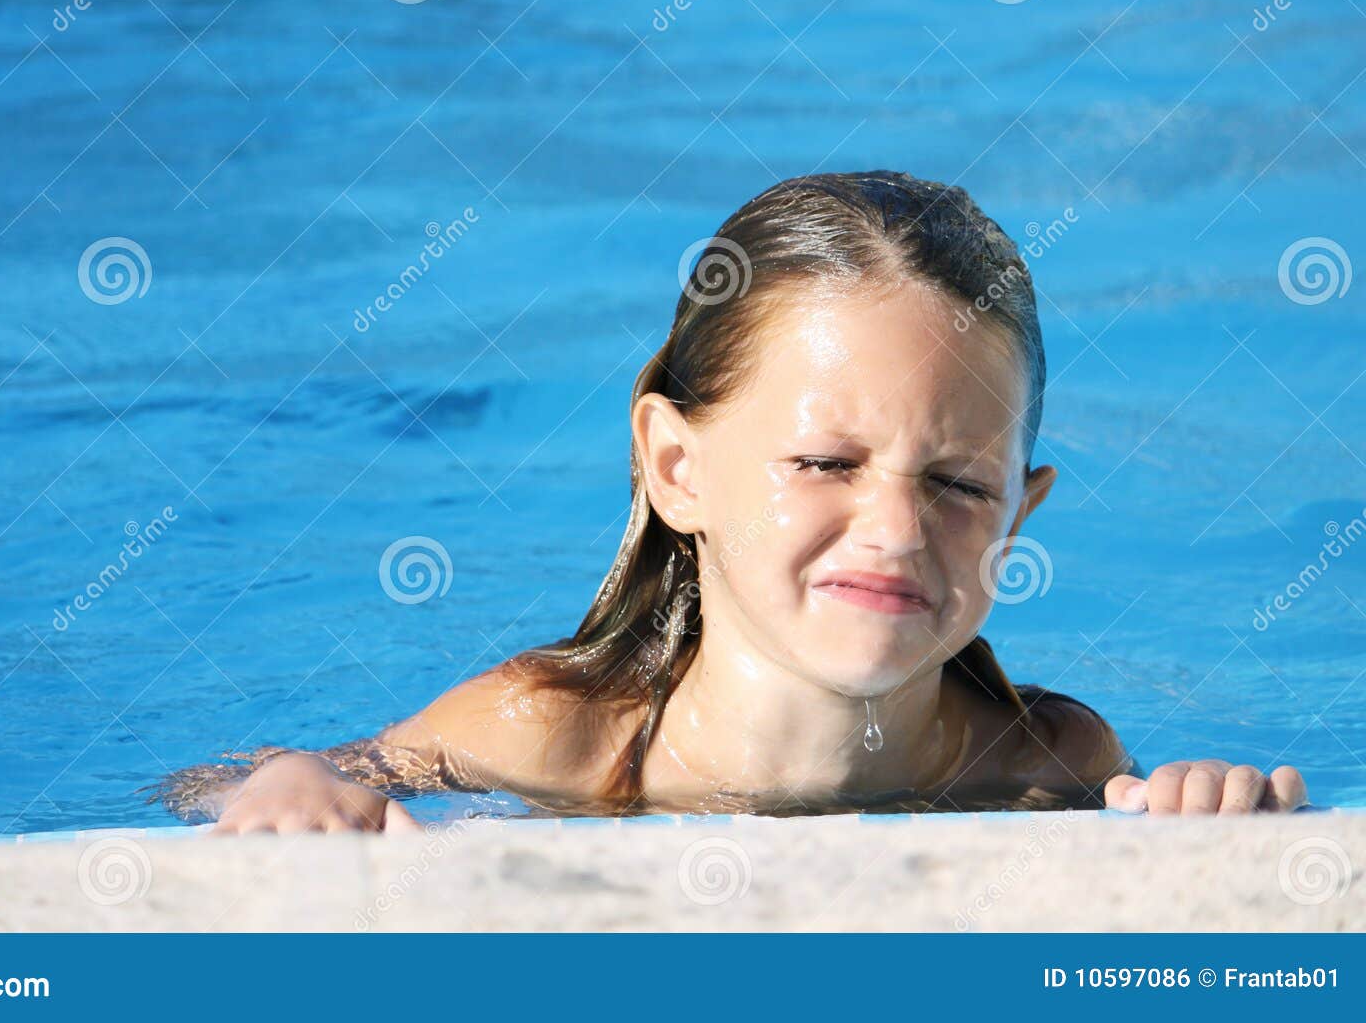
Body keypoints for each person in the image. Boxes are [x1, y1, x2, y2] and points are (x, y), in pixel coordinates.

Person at [145, 171, 1309, 833]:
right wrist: (290, 786)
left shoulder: (1045, 758)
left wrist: (1205, 817)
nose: (897, 530)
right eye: (824, 462)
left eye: (958, 484)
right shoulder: (555, 734)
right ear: (675, 465)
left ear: (1016, 514)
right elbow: (216, 782)